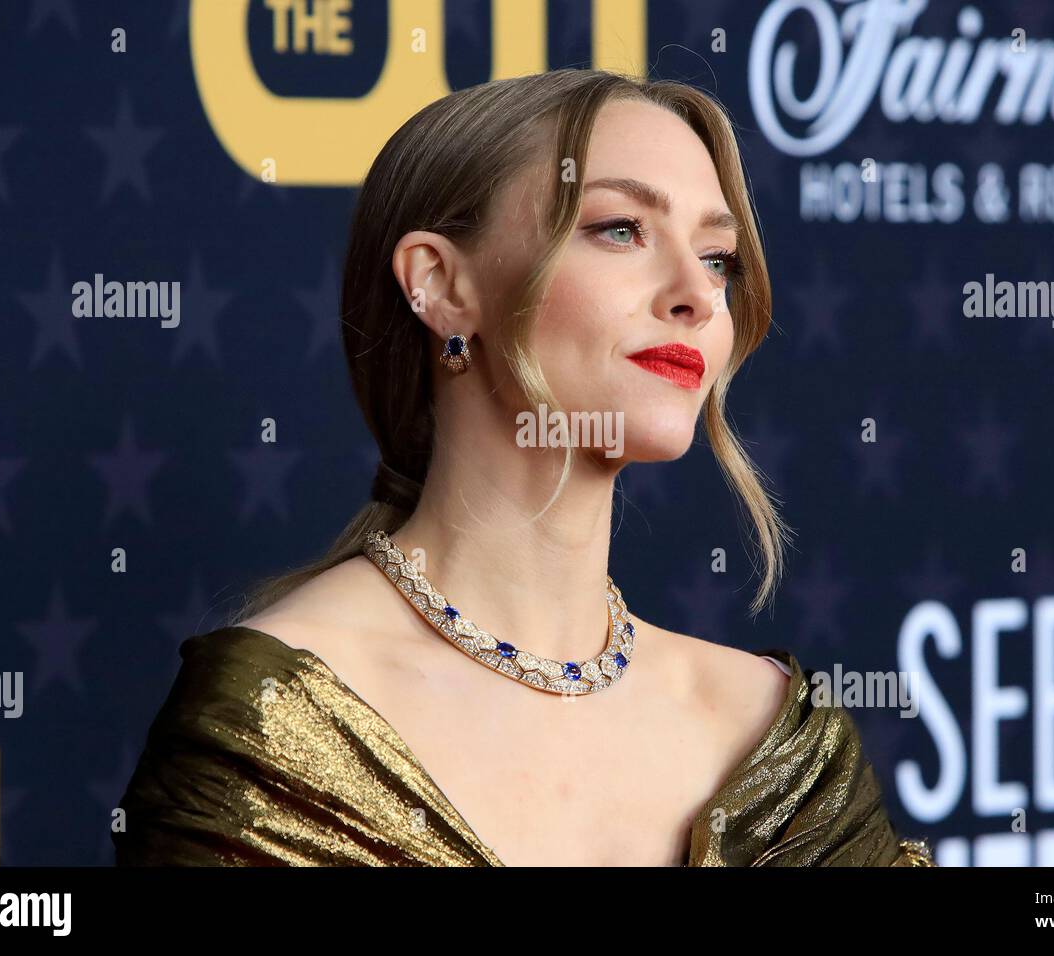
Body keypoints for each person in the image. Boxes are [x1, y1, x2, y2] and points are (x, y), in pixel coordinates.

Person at [112, 68, 935, 867]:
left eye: (718, 256)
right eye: (622, 229)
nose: (698, 294)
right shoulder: (272, 724)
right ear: (440, 284)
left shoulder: (772, 738)